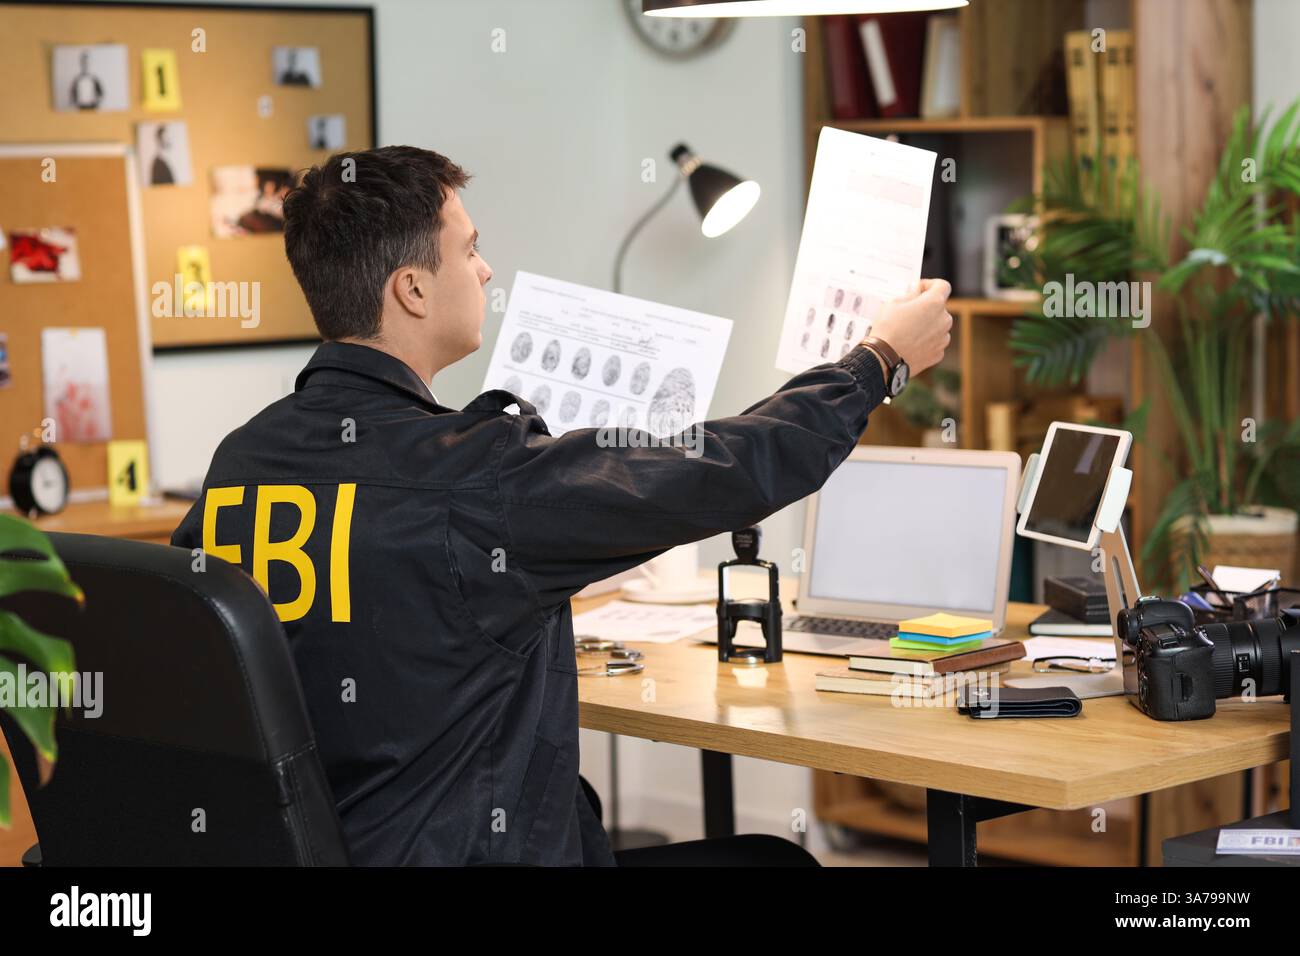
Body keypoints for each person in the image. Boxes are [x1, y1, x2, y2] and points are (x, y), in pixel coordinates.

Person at [171, 146, 952, 866]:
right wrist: (878, 361)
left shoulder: (243, 461)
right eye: (469, 248)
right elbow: (729, 466)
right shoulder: (473, 475)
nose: (484, 271)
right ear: (410, 288)